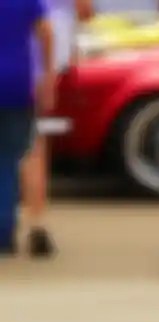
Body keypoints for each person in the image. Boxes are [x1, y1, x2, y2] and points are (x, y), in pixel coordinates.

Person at [19, 0, 91, 259]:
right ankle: (36, 222)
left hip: (16, 48)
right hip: (45, 58)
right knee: (32, 146)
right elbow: (85, 12)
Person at [1, 1, 54, 258]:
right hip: (18, 84)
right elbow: (46, 31)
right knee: (10, 159)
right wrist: (47, 76)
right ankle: (5, 231)